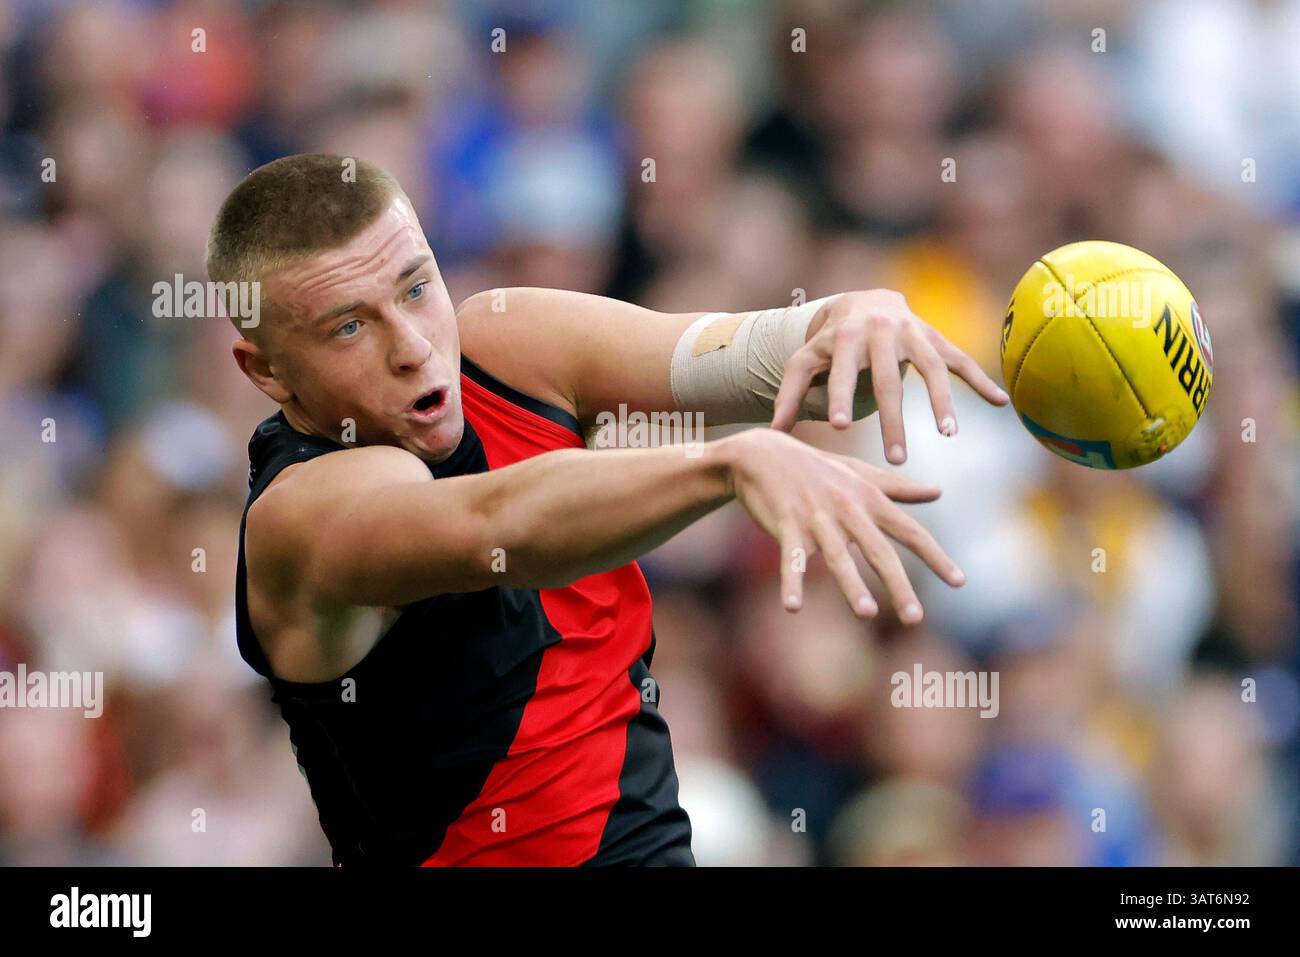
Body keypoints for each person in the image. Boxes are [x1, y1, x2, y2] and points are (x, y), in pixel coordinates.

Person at [205, 154, 1008, 866]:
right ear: (265, 370)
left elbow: (766, 362)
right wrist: (725, 463)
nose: (412, 345)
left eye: (418, 287)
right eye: (350, 326)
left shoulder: (509, 346)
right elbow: (498, 526)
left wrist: (848, 321)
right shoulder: (301, 512)